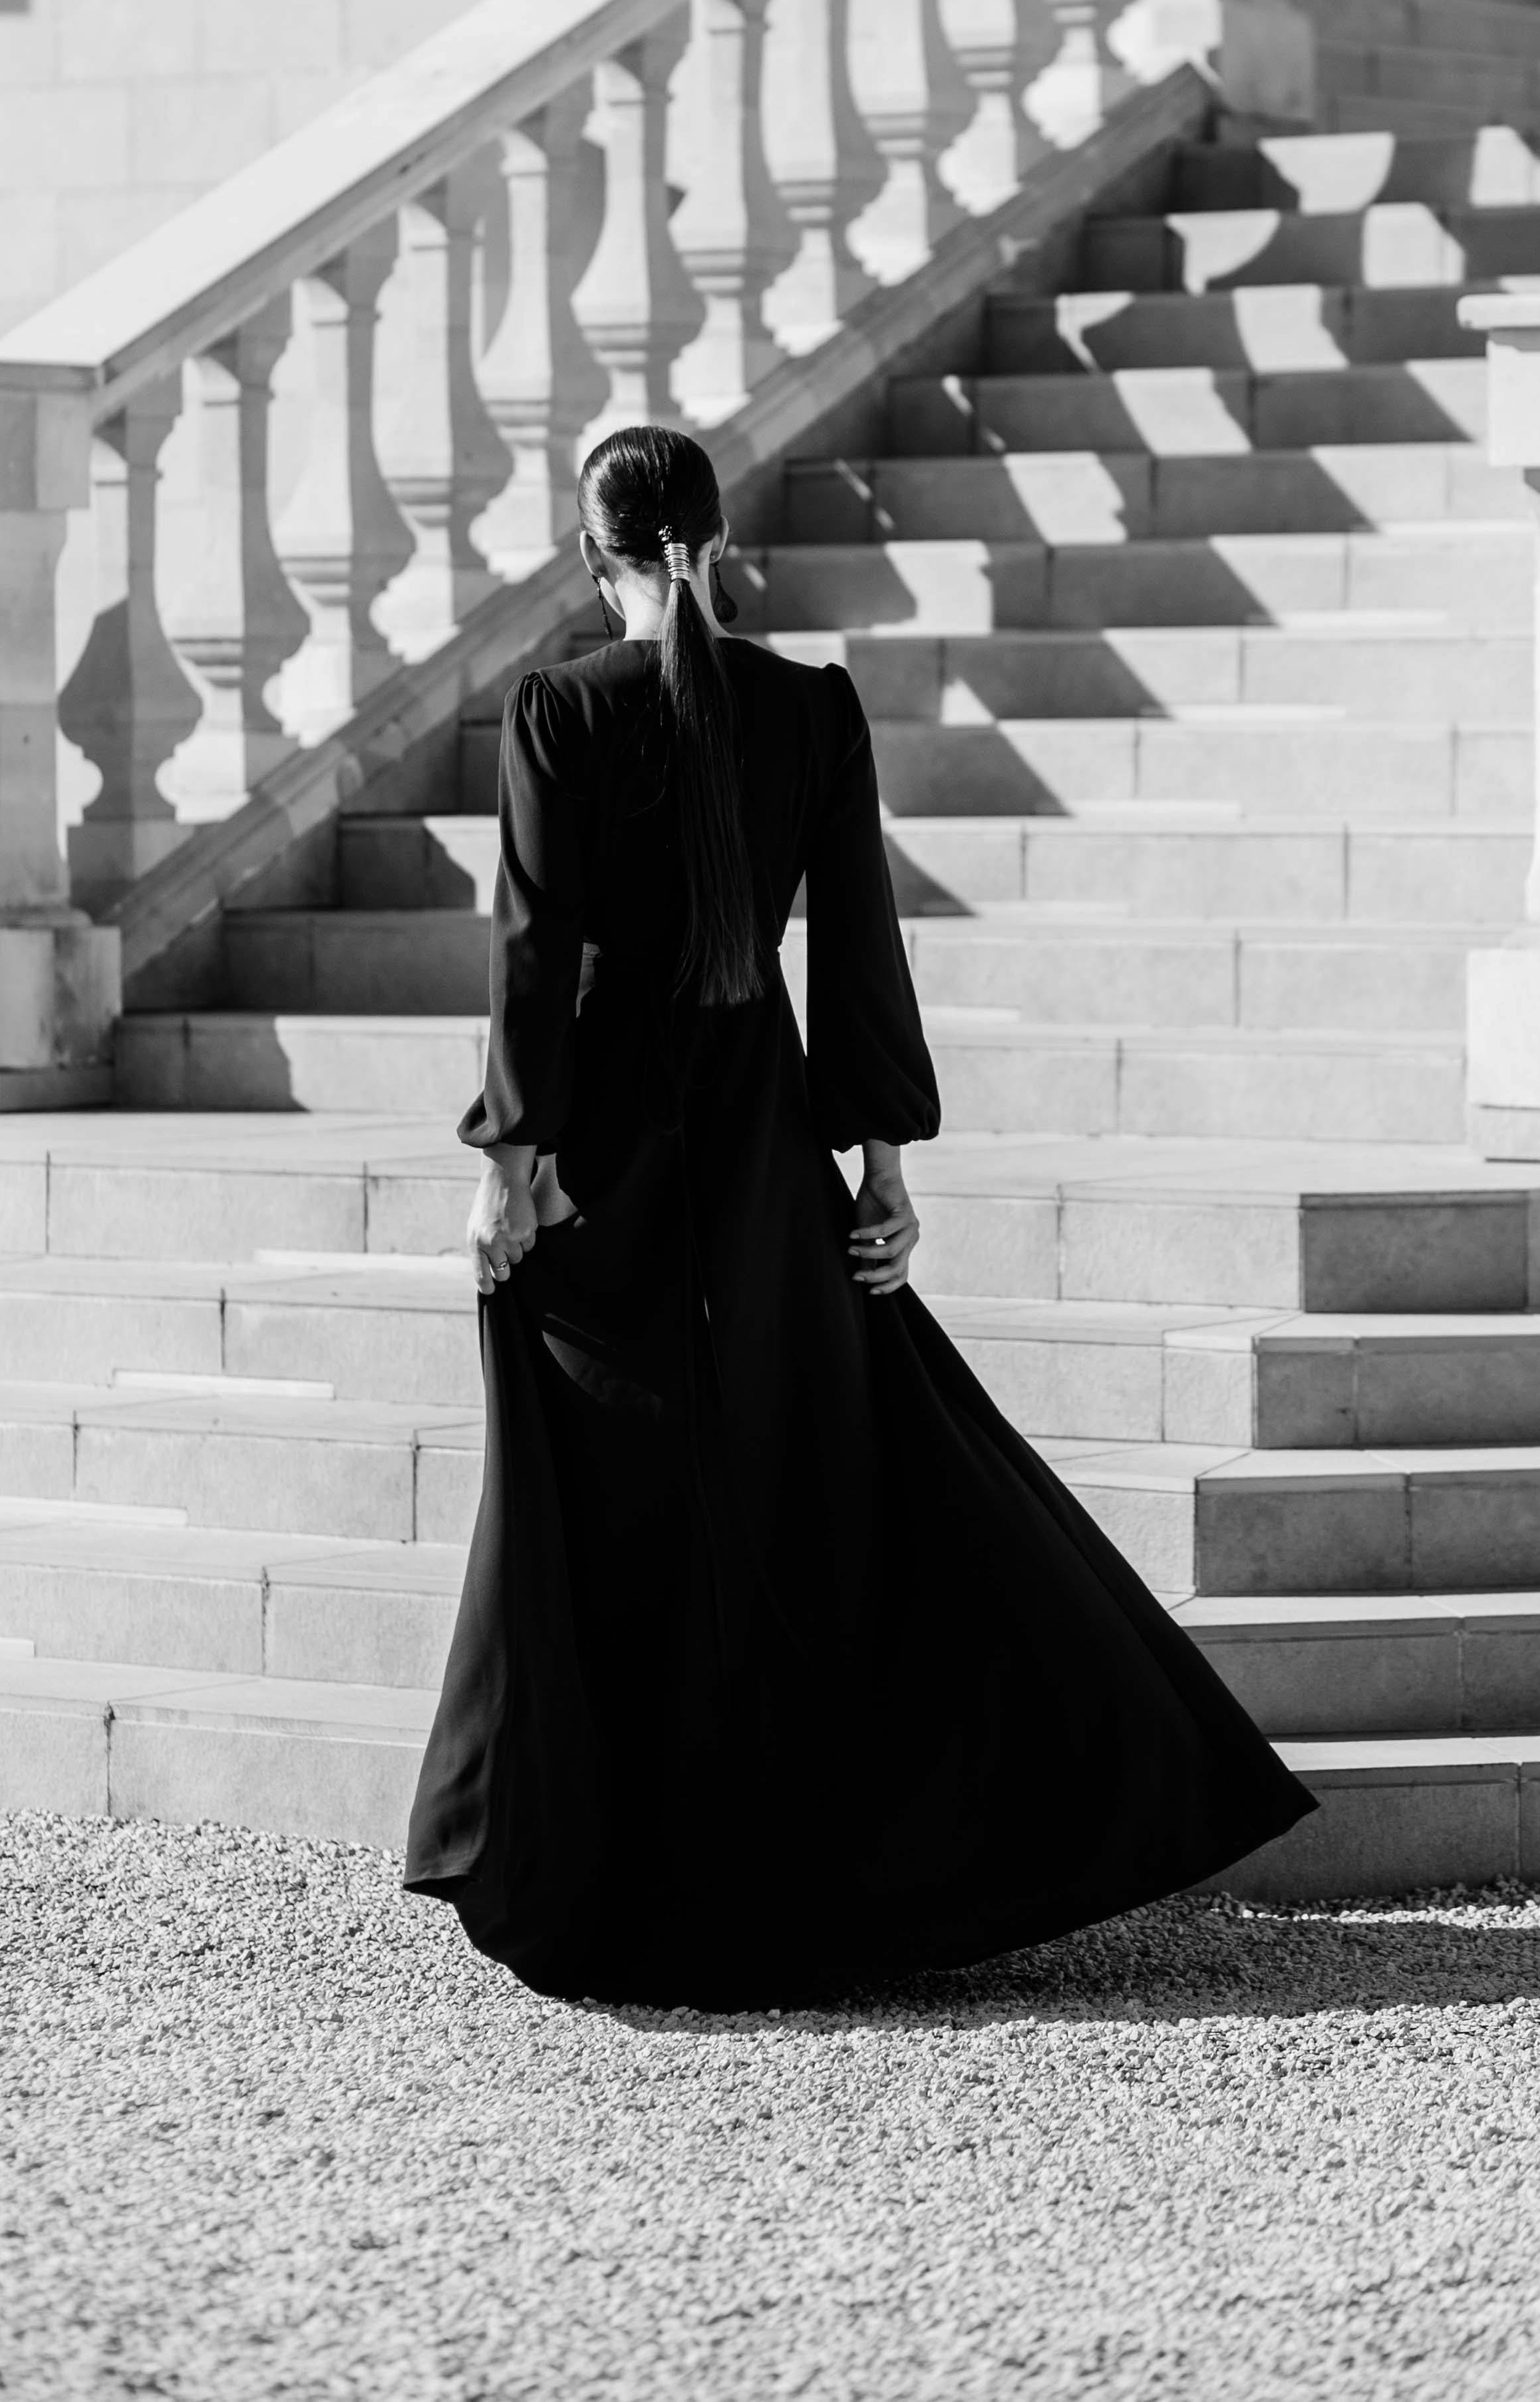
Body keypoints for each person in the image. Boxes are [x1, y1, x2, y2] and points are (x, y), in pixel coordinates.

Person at [404, 422, 1309, 2005]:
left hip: (609, 1176)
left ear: (589, 558)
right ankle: (901, 1860)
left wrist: (512, 1167)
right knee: (817, 1496)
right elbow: (861, 951)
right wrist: (882, 1172)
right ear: (725, 538)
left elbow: (537, 957)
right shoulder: (808, 707)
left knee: (610, 1523)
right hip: (763, 1166)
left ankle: (610, 1880)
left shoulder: (556, 708)